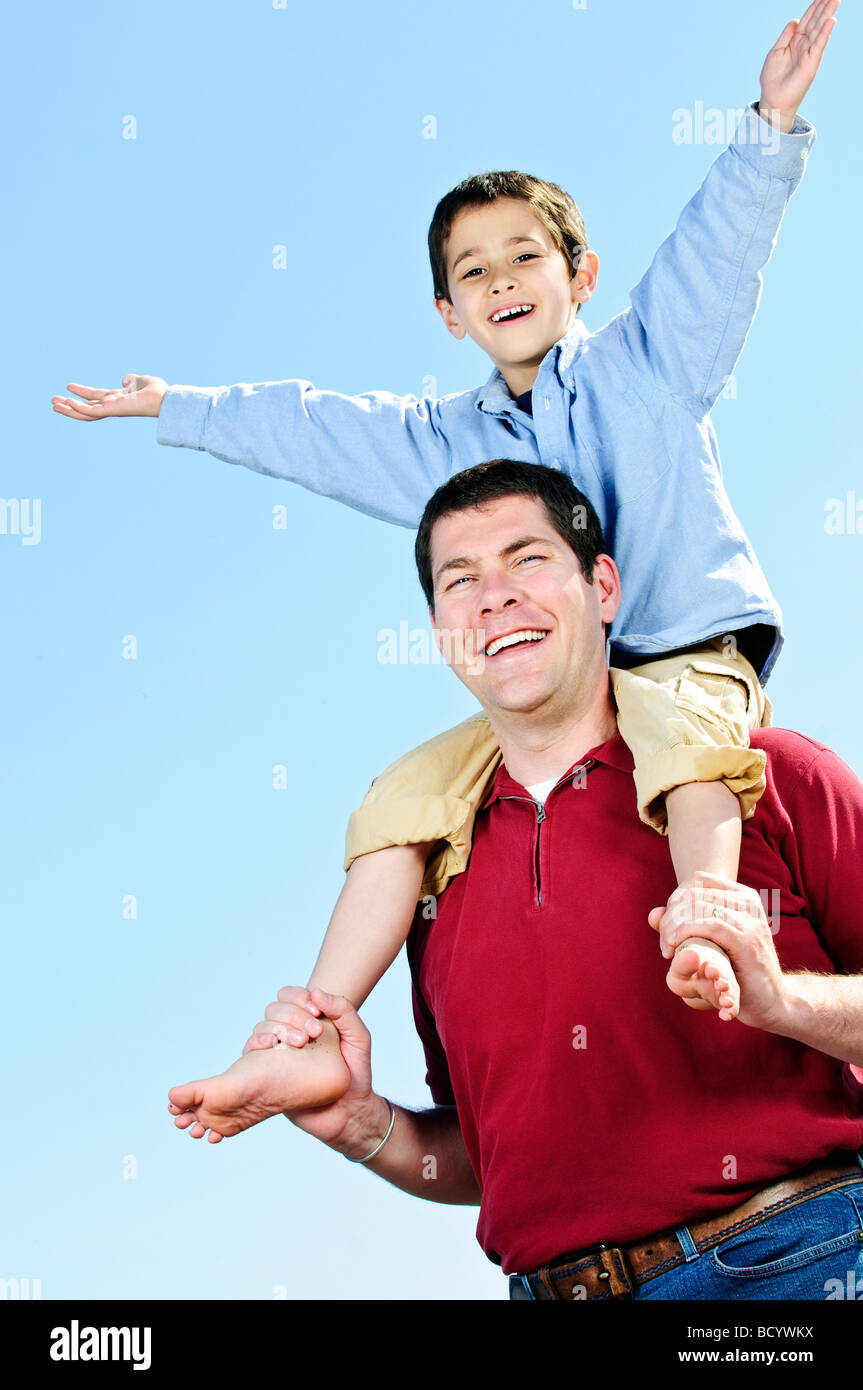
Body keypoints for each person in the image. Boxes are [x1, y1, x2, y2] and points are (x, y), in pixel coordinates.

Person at [52, 7, 839, 1015]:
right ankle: (318, 1016)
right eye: (472, 272)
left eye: (524, 259)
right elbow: (316, 427)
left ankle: (706, 917)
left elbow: (715, 251)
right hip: (565, 690)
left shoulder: (649, 362)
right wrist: (179, 403)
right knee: (401, 799)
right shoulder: (443, 442)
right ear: (446, 314)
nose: (499, 281)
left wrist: (766, 122)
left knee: (689, 749)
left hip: (681, 649)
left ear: (578, 275)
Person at [168, 461, 863, 1301]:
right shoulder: (426, 878)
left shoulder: (771, 776)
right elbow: (484, 1158)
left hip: (793, 1264)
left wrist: (781, 1001)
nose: (494, 596)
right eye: (460, 579)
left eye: (527, 559)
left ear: (601, 587)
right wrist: (361, 1125)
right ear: (438, 628)